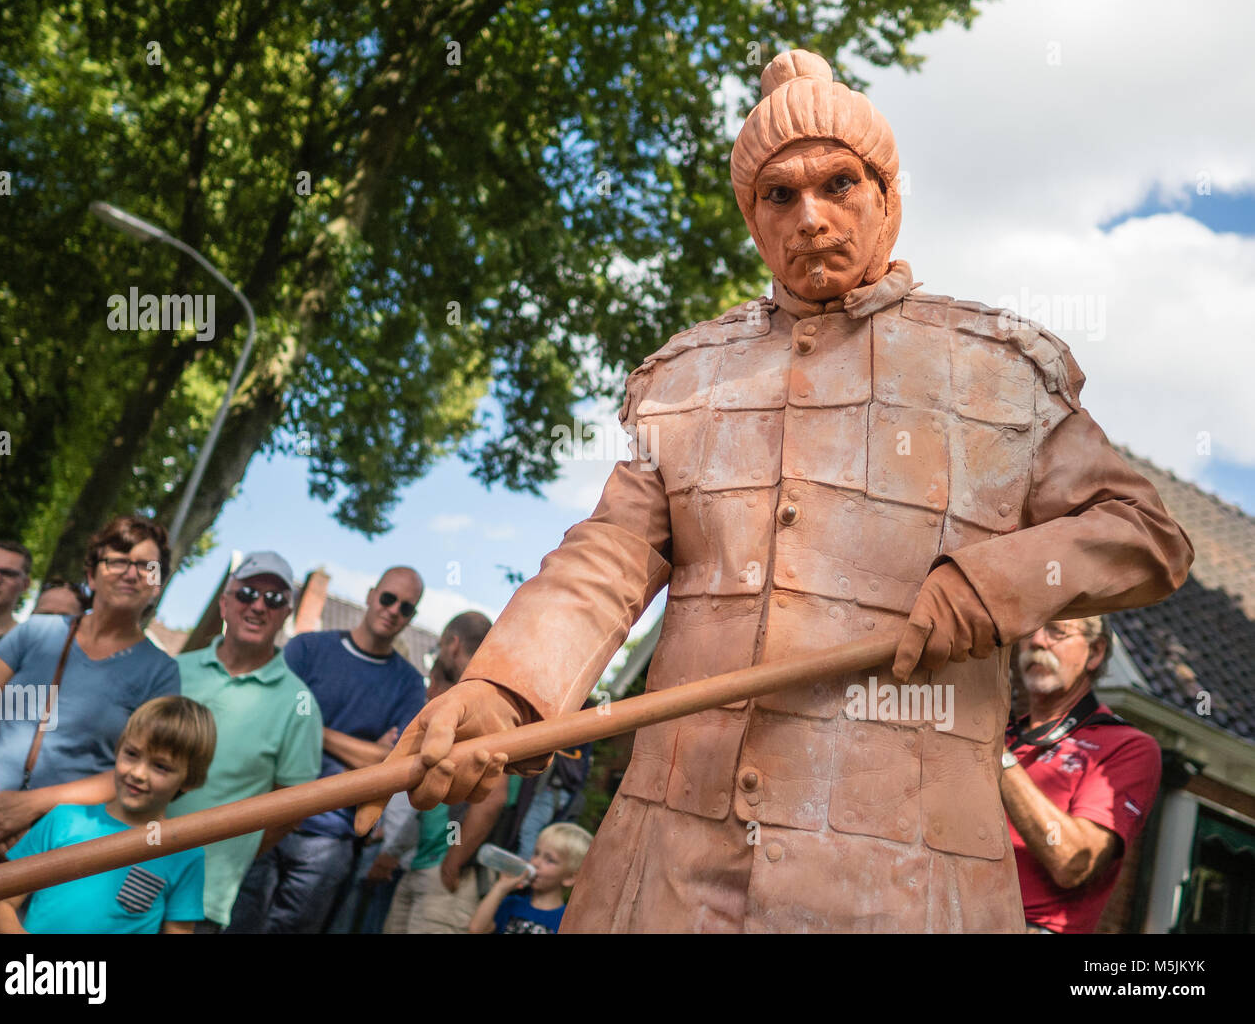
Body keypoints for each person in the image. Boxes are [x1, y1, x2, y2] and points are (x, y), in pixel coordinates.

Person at [357, 48, 1194, 933]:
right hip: (666, 868)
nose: (812, 217)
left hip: (895, 879)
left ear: (889, 200)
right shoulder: (687, 379)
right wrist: (505, 690)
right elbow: (605, 557)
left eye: (840, 184)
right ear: (752, 220)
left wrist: (994, 586)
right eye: (779, 196)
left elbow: (1146, 535)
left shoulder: (998, 372)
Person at [0, 515, 180, 933]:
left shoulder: (161, 673)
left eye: (146, 566)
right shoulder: (35, 633)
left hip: (50, 853)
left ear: (158, 584)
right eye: (118, 561)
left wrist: (30, 806)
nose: (131, 573)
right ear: (91, 573)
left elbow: (137, 773)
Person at [226, 566, 428, 933]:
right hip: (266, 811)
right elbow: (271, 721)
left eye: (406, 608)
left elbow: (394, 764)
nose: (393, 610)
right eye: (388, 598)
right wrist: (365, 752)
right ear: (370, 595)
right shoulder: (309, 648)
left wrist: (310, 726)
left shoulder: (410, 684)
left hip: (330, 837)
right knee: (232, 924)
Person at [166, 552, 324, 933]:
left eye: (273, 600)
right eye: (247, 593)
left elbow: (291, 809)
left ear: (286, 613)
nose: (257, 606)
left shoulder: (299, 704)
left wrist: (233, 851)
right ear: (225, 602)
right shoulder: (174, 672)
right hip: (120, 869)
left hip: (202, 898)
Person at [0, 695, 215, 934]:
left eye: (161, 767)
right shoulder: (63, 820)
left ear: (190, 780)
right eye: (132, 754)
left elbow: (179, 930)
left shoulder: (183, 853)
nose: (138, 773)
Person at [1003, 617, 1162, 934]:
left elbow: (1074, 862)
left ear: (1096, 652)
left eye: (1056, 631)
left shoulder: (1129, 746)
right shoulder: (999, 733)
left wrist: (996, 755)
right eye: (1030, 630)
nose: (1037, 641)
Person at [380, 612, 502, 935]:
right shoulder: (467, 696)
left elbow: (493, 798)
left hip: (450, 872)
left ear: (453, 644)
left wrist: (454, 860)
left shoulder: (487, 699)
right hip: (422, 862)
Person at [469, 822, 593, 935]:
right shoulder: (511, 903)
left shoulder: (568, 920)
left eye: (550, 860)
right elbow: (476, 929)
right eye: (536, 853)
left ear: (570, 878)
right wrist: (501, 887)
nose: (536, 863)